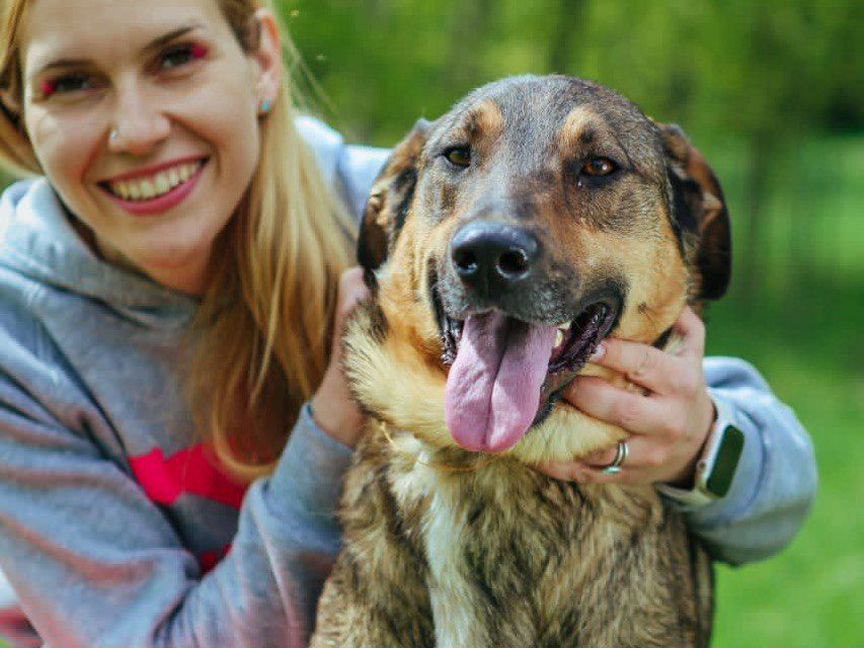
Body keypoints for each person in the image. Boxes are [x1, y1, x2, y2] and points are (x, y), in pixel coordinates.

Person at [0, 0, 816, 646]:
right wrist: (337, 412)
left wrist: (700, 440)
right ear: (14, 108)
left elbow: (781, 489)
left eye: (177, 56)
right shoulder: (17, 342)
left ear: (261, 61)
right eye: (69, 81)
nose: (136, 129)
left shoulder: (370, 194)